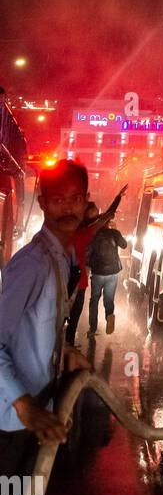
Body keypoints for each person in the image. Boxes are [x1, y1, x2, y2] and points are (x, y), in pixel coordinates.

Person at [0, 161, 91, 477]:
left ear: (87, 200)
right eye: (58, 199)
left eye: (75, 198)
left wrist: (64, 351)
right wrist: (24, 406)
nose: (68, 208)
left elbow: (33, 327)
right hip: (11, 424)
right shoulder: (32, 265)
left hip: (38, 415)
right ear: (42, 203)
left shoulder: (65, 258)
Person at [66, 187, 127, 344]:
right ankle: (68, 342)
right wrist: (118, 197)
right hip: (80, 274)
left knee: (86, 303)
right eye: (94, 211)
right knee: (76, 308)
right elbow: (107, 215)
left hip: (76, 272)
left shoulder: (79, 228)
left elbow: (106, 215)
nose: (97, 213)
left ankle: (75, 338)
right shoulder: (89, 230)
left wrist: (118, 197)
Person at [86, 216, 128, 337]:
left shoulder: (94, 235)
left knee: (94, 300)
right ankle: (109, 317)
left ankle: (92, 329)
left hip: (97, 273)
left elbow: (88, 253)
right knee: (108, 300)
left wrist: (89, 266)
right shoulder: (114, 233)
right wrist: (116, 229)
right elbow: (124, 245)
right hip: (112, 273)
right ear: (108, 223)